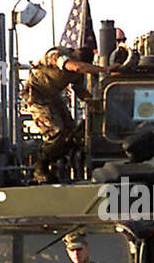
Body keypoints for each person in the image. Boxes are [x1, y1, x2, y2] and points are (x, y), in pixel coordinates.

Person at [20, 45, 111, 183]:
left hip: (52, 95)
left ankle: (60, 159)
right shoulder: (56, 55)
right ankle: (40, 167)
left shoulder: (78, 70)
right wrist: (104, 70)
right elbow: (74, 66)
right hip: (36, 95)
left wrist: (95, 104)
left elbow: (79, 89)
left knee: (70, 132)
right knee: (56, 131)